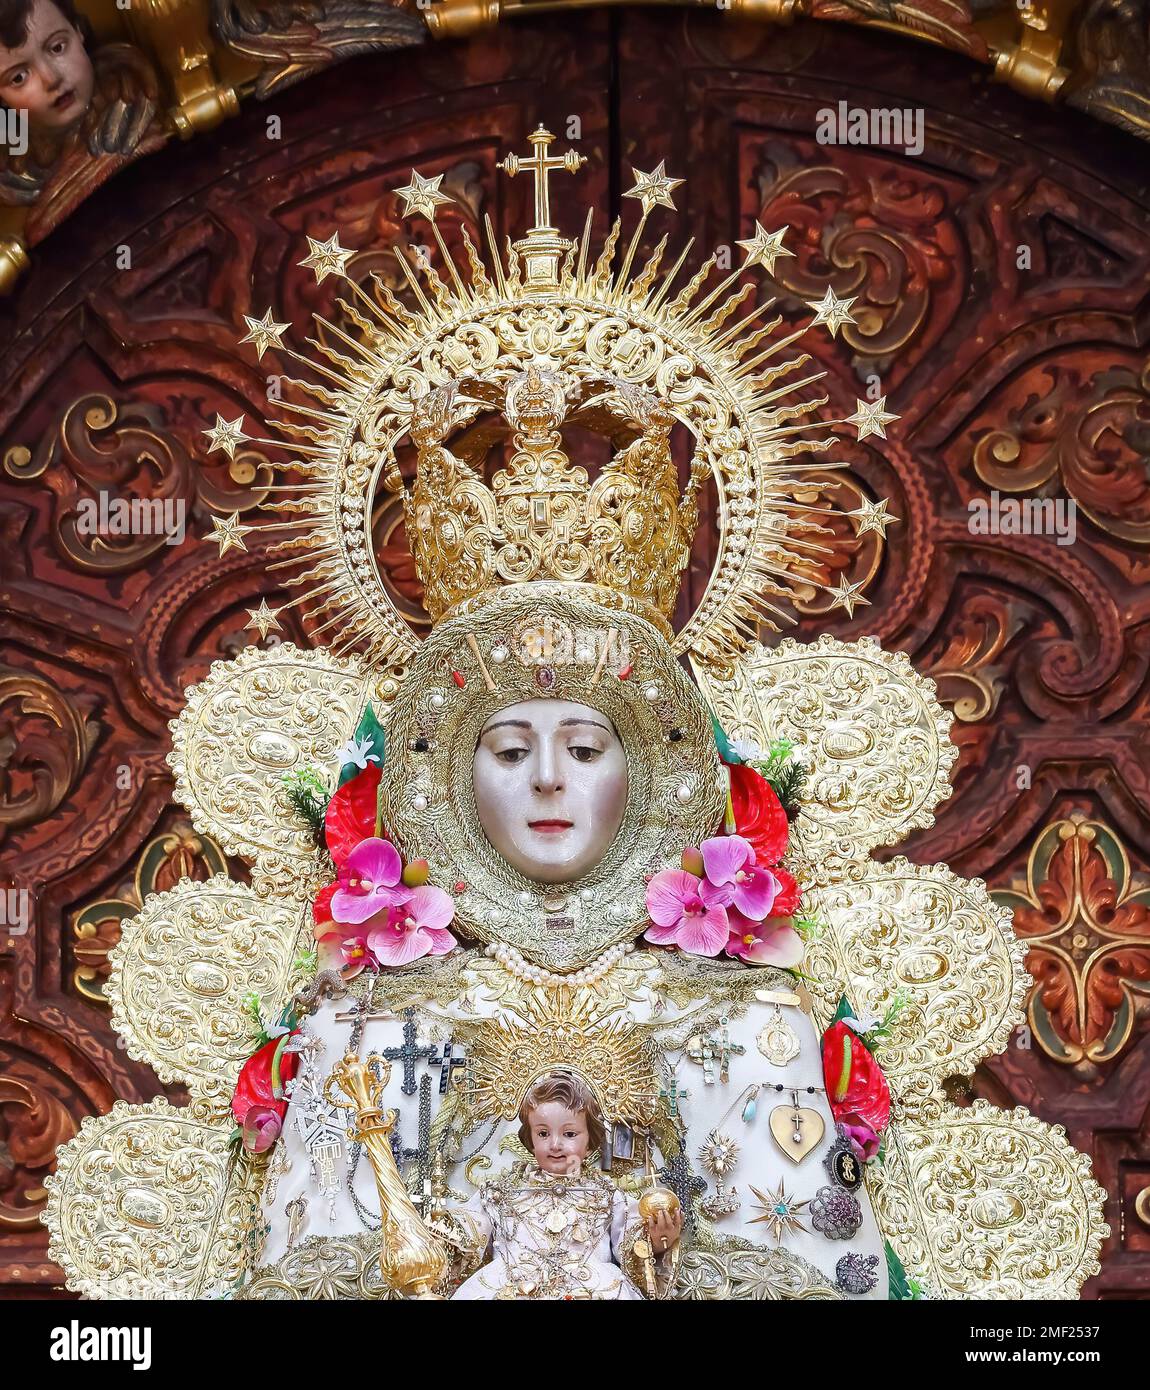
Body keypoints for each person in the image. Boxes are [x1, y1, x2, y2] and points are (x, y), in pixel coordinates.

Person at [445, 1071, 681, 1300]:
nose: (555, 1144)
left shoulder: (606, 1194)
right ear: (530, 1138)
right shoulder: (499, 1192)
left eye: (569, 1133)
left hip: (591, 1286)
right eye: (543, 1133)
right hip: (510, 1284)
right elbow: (470, 1229)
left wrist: (657, 1239)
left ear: (590, 1141)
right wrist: (447, 1231)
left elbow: (631, 1245)